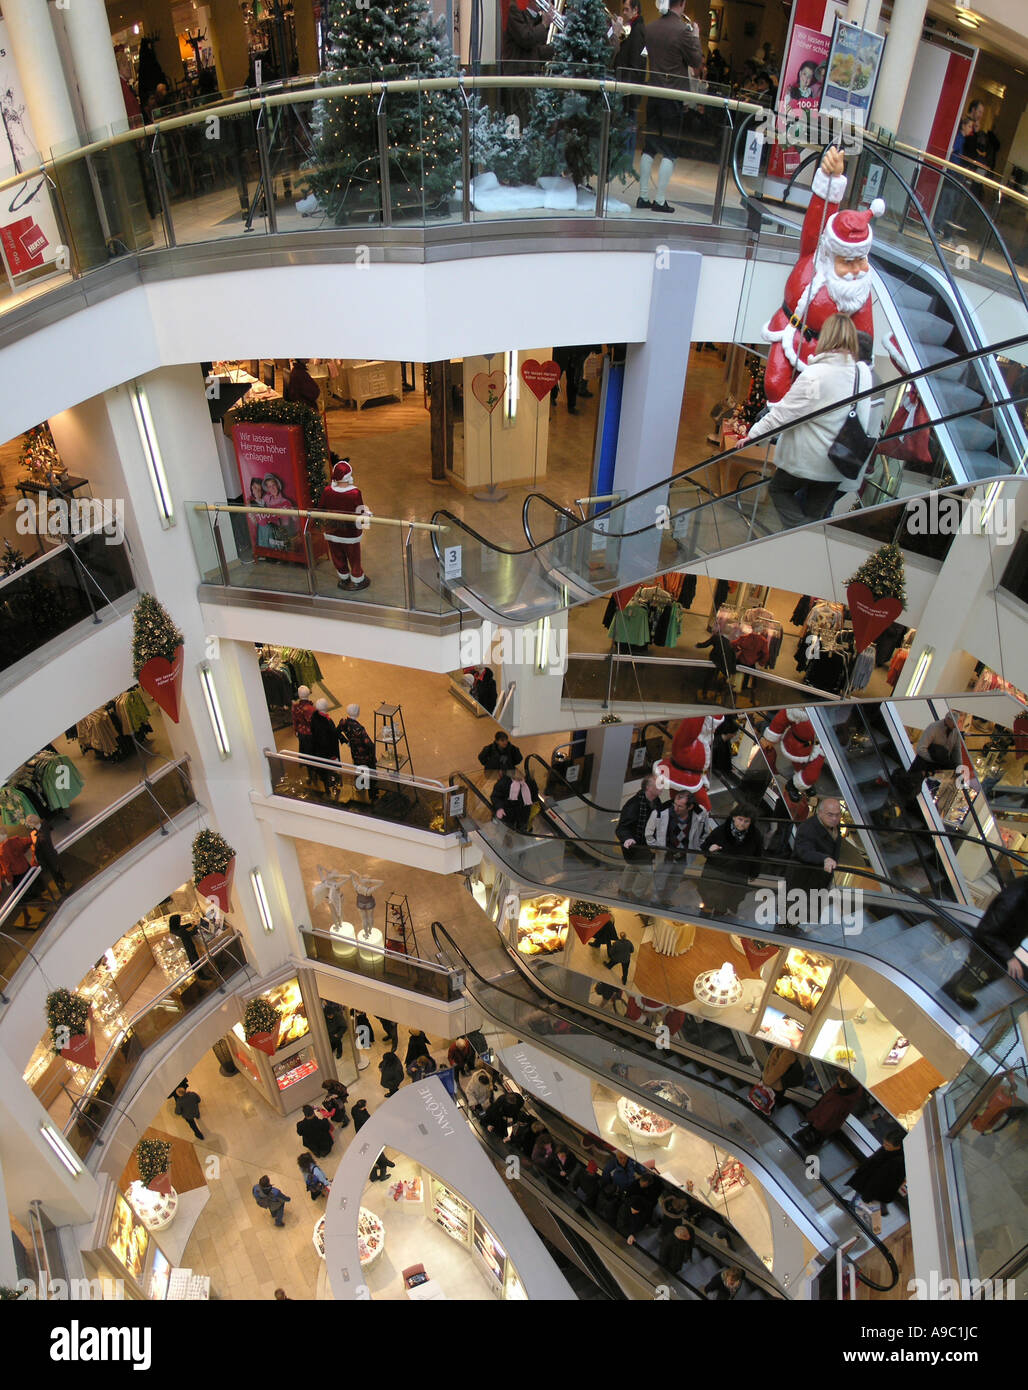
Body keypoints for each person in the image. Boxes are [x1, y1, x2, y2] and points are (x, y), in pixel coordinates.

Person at [759, 146, 880, 403]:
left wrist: (859, 369)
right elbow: (818, 219)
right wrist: (831, 181)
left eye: (860, 260)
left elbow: (864, 337)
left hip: (826, 357)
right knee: (774, 383)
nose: (856, 269)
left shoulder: (858, 292)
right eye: (848, 261)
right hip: (789, 331)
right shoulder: (815, 256)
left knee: (812, 400)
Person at [744, 313, 873, 529]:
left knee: (778, 489)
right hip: (839, 463)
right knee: (813, 517)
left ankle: (802, 536)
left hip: (807, 462)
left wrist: (753, 435)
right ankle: (805, 541)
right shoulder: (862, 373)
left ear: (826, 337)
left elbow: (784, 413)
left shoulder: (817, 375)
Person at [636, 0, 703, 213]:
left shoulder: (652, 28)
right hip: (673, 95)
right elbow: (696, 61)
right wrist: (697, 36)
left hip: (654, 93)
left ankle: (643, 196)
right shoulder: (683, 30)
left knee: (650, 146)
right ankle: (660, 199)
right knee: (670, 150)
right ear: (682, 3)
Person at [942, 876, 1028, 1009]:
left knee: (983, 973)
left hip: (1000, 943)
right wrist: (1009, 958)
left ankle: (956, 992)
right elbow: (987, 931)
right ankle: (954, 994)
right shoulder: (1011, 902)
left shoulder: (1022, 893)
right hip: (989, 944)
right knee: (978, 972)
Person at [698, 806, 763, 917]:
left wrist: (754, 873)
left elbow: (757, 855)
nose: (742, 824)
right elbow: (705, 847)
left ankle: (719, 919)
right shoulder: (721, 831)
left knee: (726, 902)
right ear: (734, 818)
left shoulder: (756, 835)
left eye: (746, 821)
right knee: (709, 901)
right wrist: (710, 849)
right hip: (716, 873)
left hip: (738, 874)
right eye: (740, 819)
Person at [318, 456, 370, 591]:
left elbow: (321, 508)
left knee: (337, 555)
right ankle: (357, 577)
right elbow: (360, 510)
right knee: (354, 556)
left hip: (332, 531)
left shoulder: (327, 491)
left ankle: (344, 577)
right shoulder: (354, 493)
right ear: (349, 475)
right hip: (350, 532)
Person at [784, 797, 843, 916]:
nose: (834, 818)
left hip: (819, 881)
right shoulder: (808, 828)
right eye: (830, 815)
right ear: (819, 812)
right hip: (803, 880)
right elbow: (804, 851)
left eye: (837, 815)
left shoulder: (835, 827)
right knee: (792, 915)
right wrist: (824, 859)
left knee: (809, 914)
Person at [611, 0, 647, 166]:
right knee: (626, 128)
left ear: (635, 10)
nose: (624, 13)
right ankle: (623, 162)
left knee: (628, 128)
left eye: (626, 9)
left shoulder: (637, 30)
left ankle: (625, 164)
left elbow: (636, 64)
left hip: (628, 91)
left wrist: (628, 90)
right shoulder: (632, 28)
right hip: (627, 87)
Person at [616, 774, 663, 894]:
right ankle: (637, 895)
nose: (662, 787)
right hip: (636, 846)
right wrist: (628, 839)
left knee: (632, 866)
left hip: (646, 844)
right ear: (648, 787)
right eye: (658, 784)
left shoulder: (656, 802)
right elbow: (622, 827)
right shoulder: (634, 805)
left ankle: (623, 889)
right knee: (647, 872)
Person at [795, 1073, 861, 1151]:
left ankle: (806, 1144)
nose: (837, 1078)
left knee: (814, 1135)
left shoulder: (837, 1102)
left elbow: (824, 1120)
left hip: (821, 1123)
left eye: (840, 1081)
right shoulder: (853, 1091)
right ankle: (813, 1143)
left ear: (845, 1085)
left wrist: (813, 1121)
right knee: (819, 1136)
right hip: (829, 1125)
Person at [846, 1128, 907, 1212]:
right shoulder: (888, 1150)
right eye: (884, 1143)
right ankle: (853, 1204)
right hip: (868, 1179)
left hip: (875, 1186)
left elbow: (881, 1180)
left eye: (888, 1145)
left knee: (866, 1198)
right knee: (860, 1194)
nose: (884, 1146)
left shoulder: (898, 1161)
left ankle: (856, 1208)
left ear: (898, 1147)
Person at [909, 713, 964, 784]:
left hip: (937, 765)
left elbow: (957, 751)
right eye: (953, 724)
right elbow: (920, 749)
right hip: (924, 761)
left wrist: (959, 769)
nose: (954, 726)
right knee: (911, 780)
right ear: (948, 720)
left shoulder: (955, 733)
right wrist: (934, 760)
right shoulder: (934, 727)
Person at [337, 704, 377, 798]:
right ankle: (372, 795)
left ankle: (359, 788)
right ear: (357, 713)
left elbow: (336, 732)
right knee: (370, 774)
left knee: (359, 770)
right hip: (365, 756)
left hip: (355, 753)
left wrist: (346, 741)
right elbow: (369, 744)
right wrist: (373, 755)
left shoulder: (343, 722)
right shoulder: (359, 729)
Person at [490, 765, 540, 832]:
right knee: (505, 830)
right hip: (507, 814)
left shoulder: (528, 782)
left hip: (523, 815)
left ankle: (522, 834)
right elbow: (496, 797)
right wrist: (500, 808)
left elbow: (534, 796)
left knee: (521, 829)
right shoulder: (504, 784)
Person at [25, 815, 66, 895]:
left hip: (48, 857)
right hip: (51, 854)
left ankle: (61, 885)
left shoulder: (41, 838)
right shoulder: (44, 824)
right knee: (56, 870)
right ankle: (61, 882)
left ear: (32, 824)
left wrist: (34, 839)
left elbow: (38, 847)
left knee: (54, 872)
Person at [309, 698, 342, 796]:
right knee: (330, 770)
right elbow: (332, 735)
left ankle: (327, 788)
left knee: (324, 771)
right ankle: (332, 789)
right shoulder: (325, 722)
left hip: (319, 750)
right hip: (328, 752)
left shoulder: (315, 718)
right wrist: (340, 726)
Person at [291, 685, 316, 776]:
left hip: (301, 733)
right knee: (313, 751)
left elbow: (294, 720)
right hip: (310, 734)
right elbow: (314, 724)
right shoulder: (311, 709)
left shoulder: (295, 706)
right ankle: (314, 769)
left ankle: (309, 771)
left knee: (304, 750)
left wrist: (296, 731)